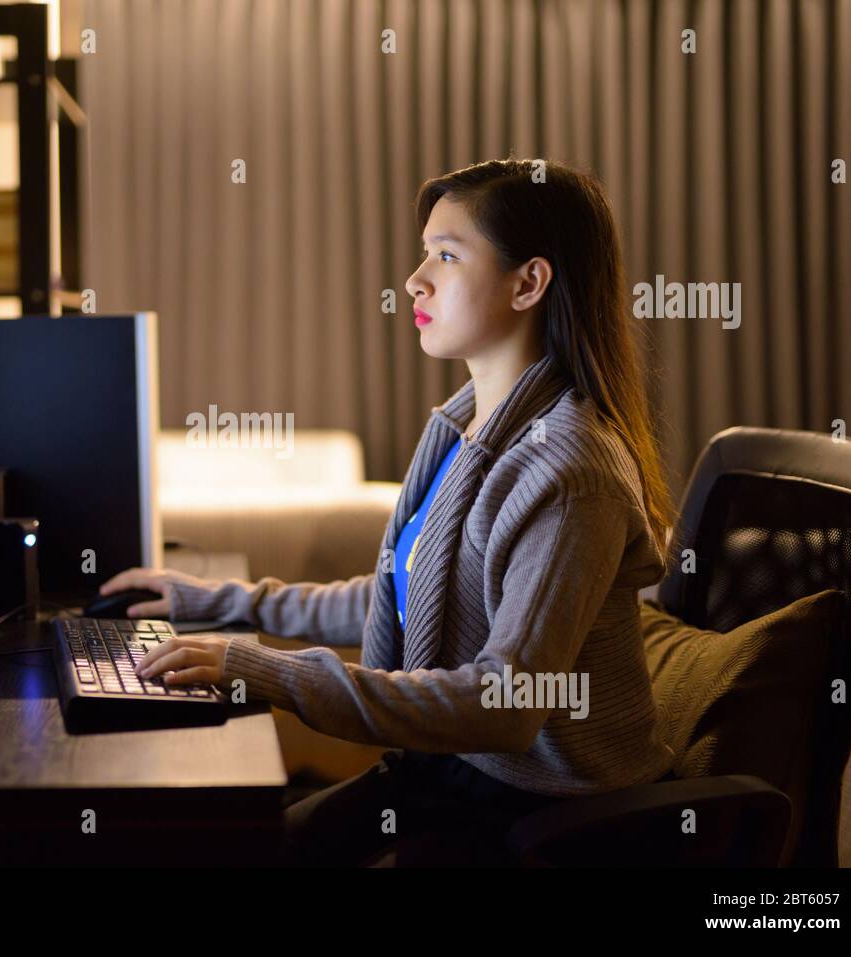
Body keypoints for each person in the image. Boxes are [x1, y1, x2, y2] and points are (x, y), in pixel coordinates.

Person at [101, 158, 679, 866]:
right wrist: (224, 603)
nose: (414, 279)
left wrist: (264, 669)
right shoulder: (471, 428)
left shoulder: (570, 470)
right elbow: (405, 598)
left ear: (528, 281)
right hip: (448, 775)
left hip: (535, 812)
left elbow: (508, 700)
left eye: (446, 255)